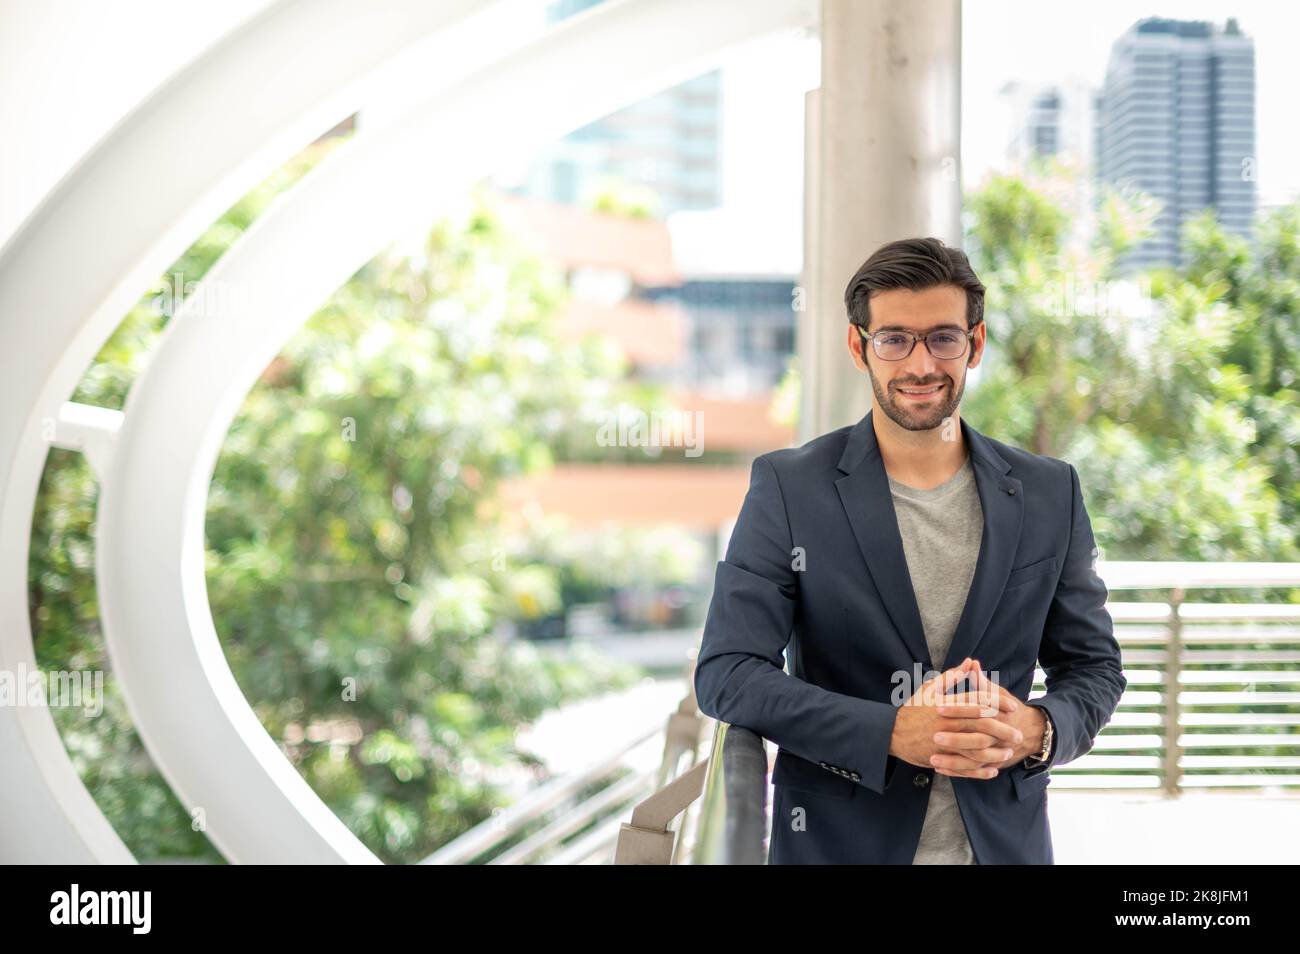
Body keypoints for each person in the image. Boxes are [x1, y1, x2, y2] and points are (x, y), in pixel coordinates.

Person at [693, 236, 1127, 864]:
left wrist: (1037, 729)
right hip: (839, 848)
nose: (921, 364)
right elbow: (728, 672)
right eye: (894, 339)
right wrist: (891, 733)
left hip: (1003, 847)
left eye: (943, 338)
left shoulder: (1048, 491)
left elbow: (1094, 669)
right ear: (858, 346)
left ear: (974, 344)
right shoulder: (790, 488)